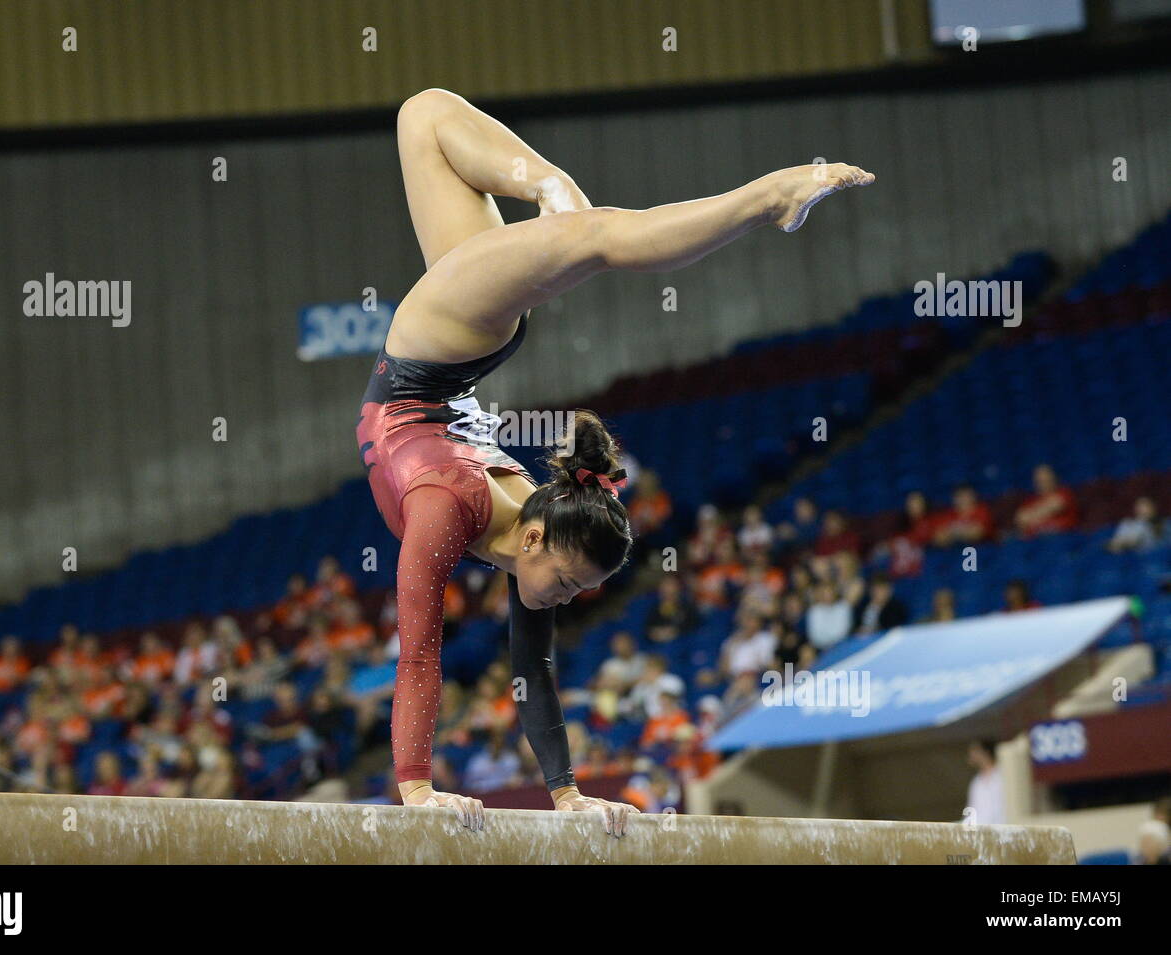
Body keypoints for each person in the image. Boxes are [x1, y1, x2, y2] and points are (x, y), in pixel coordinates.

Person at [356, 88, 872, 833]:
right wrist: (414, 789)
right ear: (535, 539)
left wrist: (566, 794)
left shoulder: (515, 539)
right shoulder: (453, 512)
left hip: (446, 356)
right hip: (442, 345)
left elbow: (532, 677)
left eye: (575, 590)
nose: (566, 599)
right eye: (569, 582)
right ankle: (768, 196)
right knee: (590, 237)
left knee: (422, 114)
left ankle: (551, 193)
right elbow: (418, 653)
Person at [1014, 463, 1078, 538]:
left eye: (1046, 479)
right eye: (1039, 481)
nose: (1043, 483)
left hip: (1061, 539)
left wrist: (1032, 517)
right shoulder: (1031, 500)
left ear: (1054, 478)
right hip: (1035, 541)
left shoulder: (1064, 493)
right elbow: (1020, 519)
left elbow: (1053, 506)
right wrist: (1039, 514)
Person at [964, 739, 1005, 825]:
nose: (971, 754)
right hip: (982, 829)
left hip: (1002, 827)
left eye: (975, 750)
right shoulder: (976, 783)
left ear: (985, 752)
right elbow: (971, 810)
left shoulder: (1003, 775)